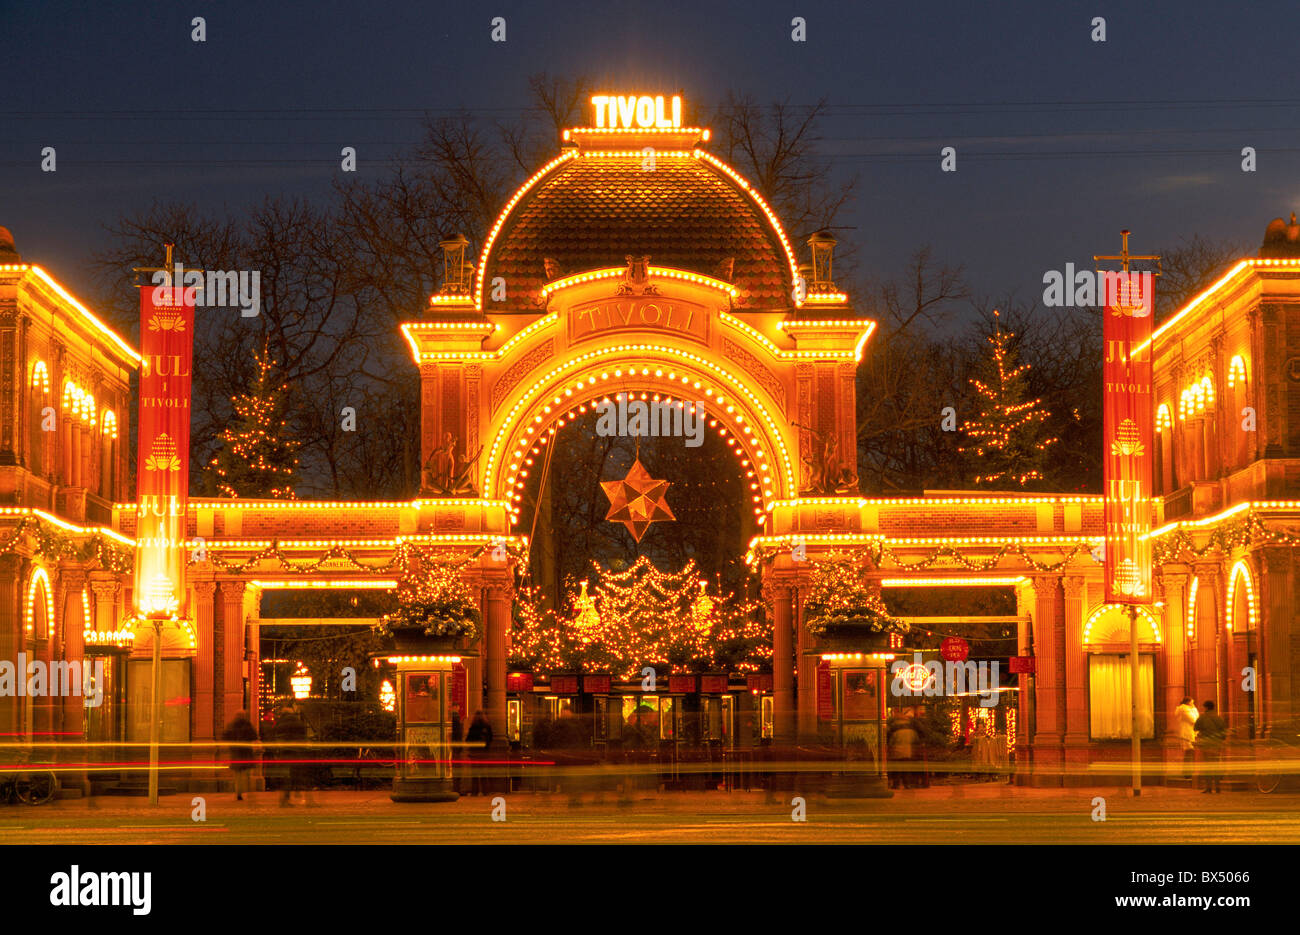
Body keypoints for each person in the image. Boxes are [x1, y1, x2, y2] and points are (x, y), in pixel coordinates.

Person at [276, 704, 317, 806]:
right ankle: (309, 800)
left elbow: (277, 738)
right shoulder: (297, 722)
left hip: (285, 753)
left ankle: (284, 799)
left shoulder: (280, 723)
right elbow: (303, 736)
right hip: (297, 752)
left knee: (287, 777)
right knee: (303, 777)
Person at [221, 710, 259, 802]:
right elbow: (255, 736)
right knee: (247, 774)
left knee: (238, 776)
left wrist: (232, 744)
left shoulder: (232, 726)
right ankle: (250, 793)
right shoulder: (247, 725)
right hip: (246, 752)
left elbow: (225, 737)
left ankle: (239, 793)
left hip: (236, 753)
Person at [1194, 700, 1228, 793]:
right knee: (1216, 765)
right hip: (1217, 744)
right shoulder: (1218, 718)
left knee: (1207, 765)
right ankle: (1217, 787)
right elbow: (1224, 731)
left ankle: (1208, 787)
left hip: (1206, 744)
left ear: (1206, 707)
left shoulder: (1203, 717)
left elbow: (1195, 728)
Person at [465, 710, 493, 796]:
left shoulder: (473, 727)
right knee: (484, 773)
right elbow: (491, 738)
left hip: (474, 753)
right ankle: (485, 791)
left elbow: (468, 740)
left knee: (475, 774)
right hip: (484, 753)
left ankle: (475, 791)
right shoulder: (487, 726)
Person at [1174, 697, 1199, 781]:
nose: (1193, 704)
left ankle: (1187, 772)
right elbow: (1194, 720)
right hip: (1187, 733)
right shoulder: (1185, 710)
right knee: (1189, 753)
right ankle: (1188, 773)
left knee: (1189, 753)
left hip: (1187, 733)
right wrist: (1194, 709)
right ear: (1188, 703)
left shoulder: (1184, 709)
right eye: (1192, 703)